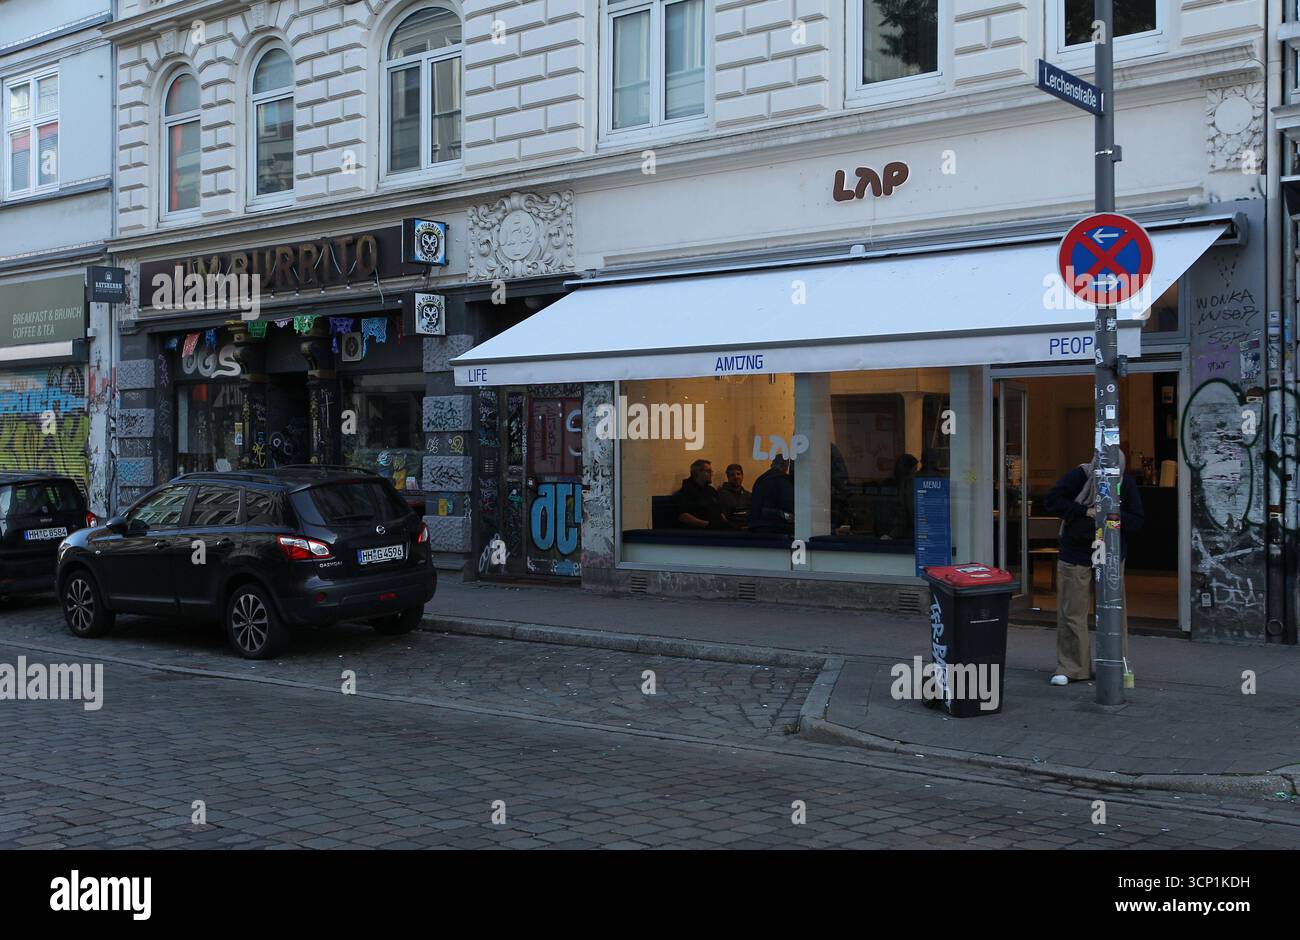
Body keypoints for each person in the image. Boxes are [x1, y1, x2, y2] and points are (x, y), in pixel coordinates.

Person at [1044, 449, 1145, 686]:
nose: (1106, 477)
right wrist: (1084, 511)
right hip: (1076, 550)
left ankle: (1114, 664)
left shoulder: (1126, 483)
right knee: (1072, 611)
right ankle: (1072, 667)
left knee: (1114, 612)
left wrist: (1113, 516)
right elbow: (1053, 501)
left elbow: (1137, 520)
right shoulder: (1080, 476)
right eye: (1102, 470)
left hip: (1110, 552)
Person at [672, 459, 728, 530]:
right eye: (708, 471)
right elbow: (683, 516)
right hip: (702, 531)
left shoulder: (711, 490)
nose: (712, 474)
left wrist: (725, 523)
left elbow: (719, 511)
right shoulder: (686, 492)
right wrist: (708, 525)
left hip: (719, 528)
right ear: (697, 473)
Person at [750, 455, 795, 533]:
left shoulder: (760, 480)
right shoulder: (783, 480)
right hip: (777, 528)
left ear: (772, 464)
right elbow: (789, 505)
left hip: (757, 526)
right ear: (786, 465)